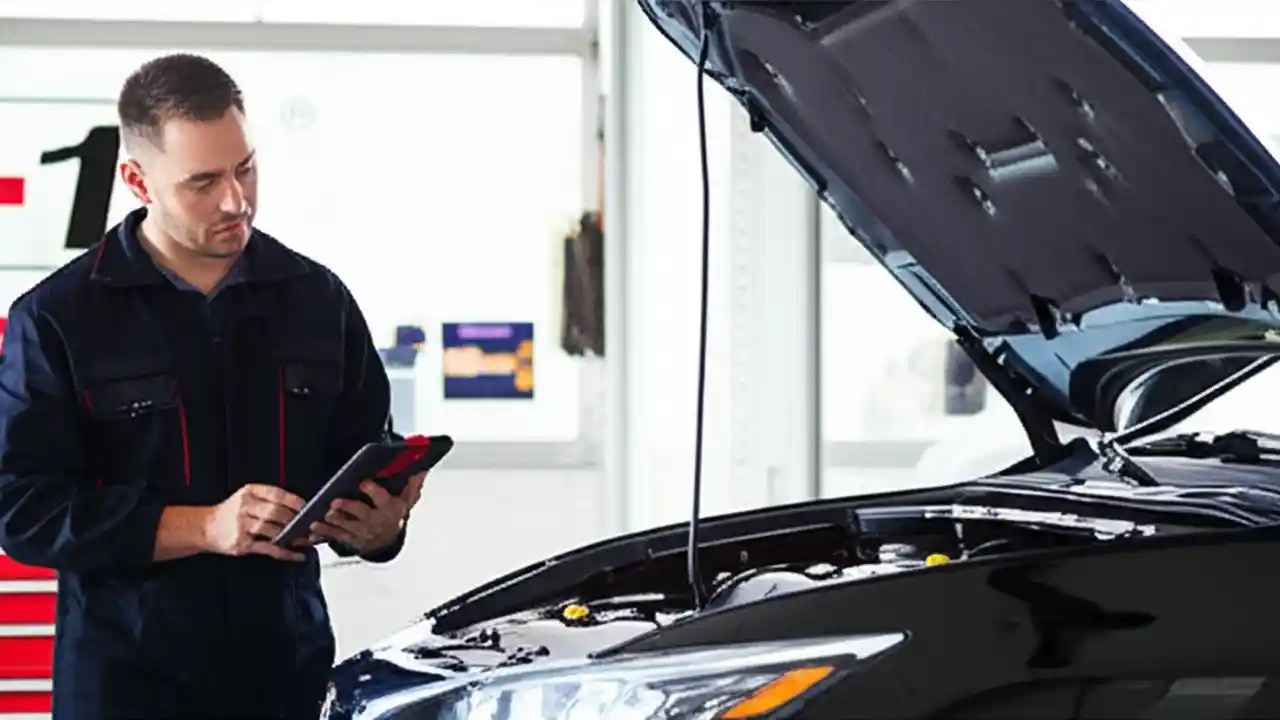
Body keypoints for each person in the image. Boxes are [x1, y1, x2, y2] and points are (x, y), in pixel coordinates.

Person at [0, 53, 424, 718]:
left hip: (285, 674)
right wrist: (205, 527)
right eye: (203, 182)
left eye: (245, 168)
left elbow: (363, 452)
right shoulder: (59, 318)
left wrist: (378, 527)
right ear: (137, 179)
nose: (237, 200)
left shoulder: (317, 300)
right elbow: (23, 509)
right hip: (126, 685)